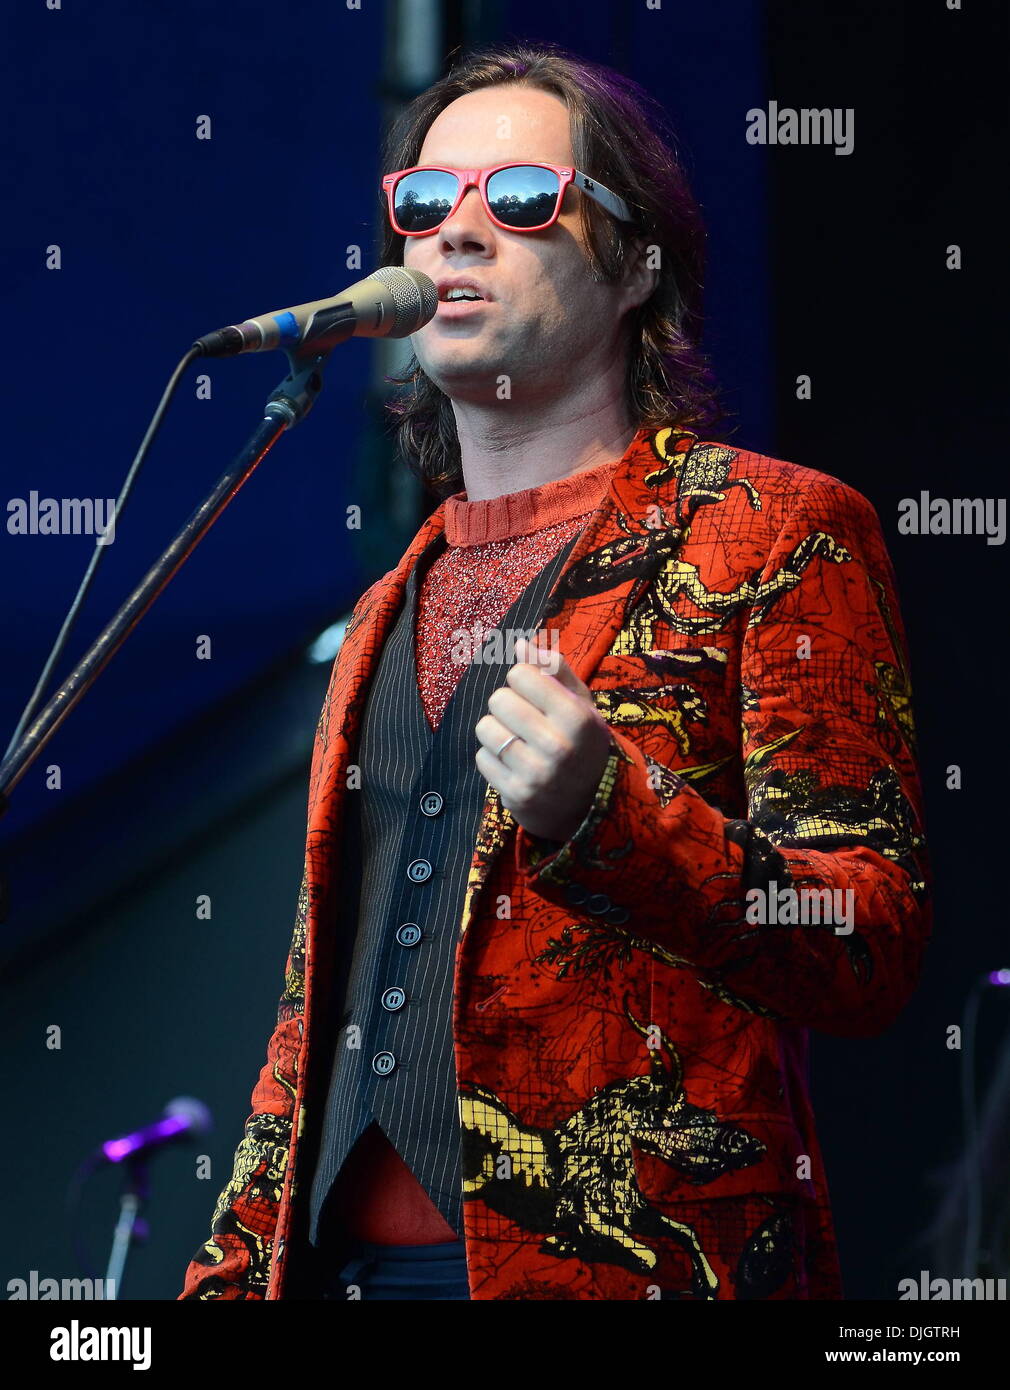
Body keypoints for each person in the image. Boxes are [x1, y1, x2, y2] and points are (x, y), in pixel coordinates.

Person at [178, 41, 932, 1302]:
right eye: (424, 201)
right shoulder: (378, 609)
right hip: (337, 1271)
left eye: (520, 196)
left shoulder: (774, 529)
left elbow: (869, 936)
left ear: (638, 266)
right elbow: (321, 1008)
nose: (456, 231)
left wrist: (619, 819)